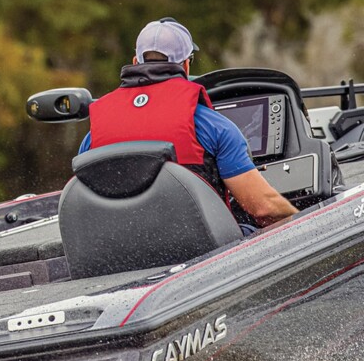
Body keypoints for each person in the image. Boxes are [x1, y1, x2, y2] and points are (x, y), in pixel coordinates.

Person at [79, 18, 297, 231]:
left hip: (120, 249)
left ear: (135, 62)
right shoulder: (212, 126)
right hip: (203, 249)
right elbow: (264, 208)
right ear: (185, 64)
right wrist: (302, 219)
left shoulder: (94, 134)